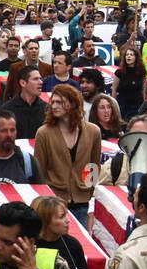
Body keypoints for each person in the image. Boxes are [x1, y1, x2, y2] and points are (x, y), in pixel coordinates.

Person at [33, 84, 101, 221]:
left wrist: (87, 190)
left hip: (81, 202)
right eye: (53, 102)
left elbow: (93, 165)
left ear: (73, 103)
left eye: (59, 102)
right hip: (53, 201)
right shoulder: (44, 133)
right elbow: (39, 170)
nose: (54, 106)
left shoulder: (93, 132)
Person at [5, 66, 46, 142]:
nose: (41, 82)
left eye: (40, 78)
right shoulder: (6, 110)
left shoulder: (47, 109)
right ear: (23, 83)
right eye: (35, 79)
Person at [113, 46, 147, 120]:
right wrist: (114, 105)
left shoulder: (142, 72)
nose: (128, 56)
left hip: (137, 106)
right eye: (127, 55)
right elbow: (114, 89)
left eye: (131, 55)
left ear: (136, 57)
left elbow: (143, 90)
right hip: (123, 105)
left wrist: (144, 104)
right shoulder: (120, 72)